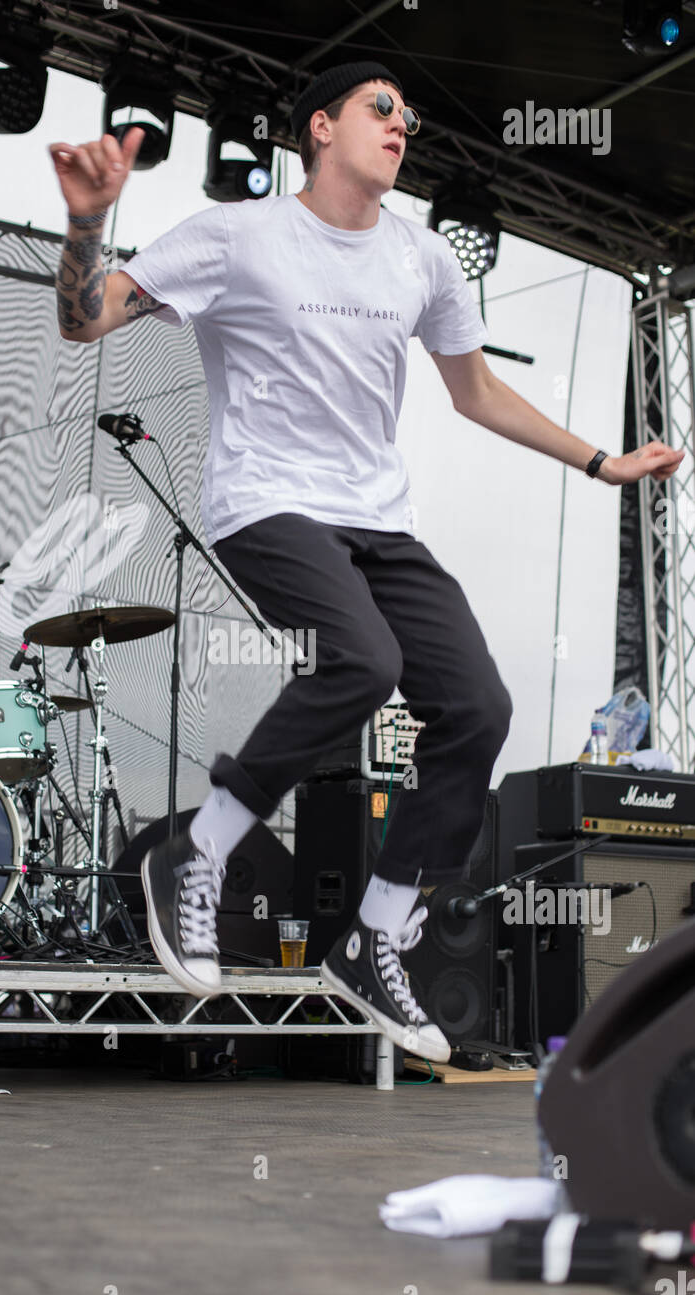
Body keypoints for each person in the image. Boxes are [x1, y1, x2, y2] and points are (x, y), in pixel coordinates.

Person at [49, 62, 683, 1062]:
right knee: (363, 661)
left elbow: (474, 394)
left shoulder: (421, 259)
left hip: (376, 521)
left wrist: (600, 461)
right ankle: (200, 852)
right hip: (265, 502)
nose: (400, 126)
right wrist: (88, 222)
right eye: (379, 108)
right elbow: (84, 318)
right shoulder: (239, 234)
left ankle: (377, 936)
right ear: (318, 127)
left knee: (475, 706)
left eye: (409, 118)